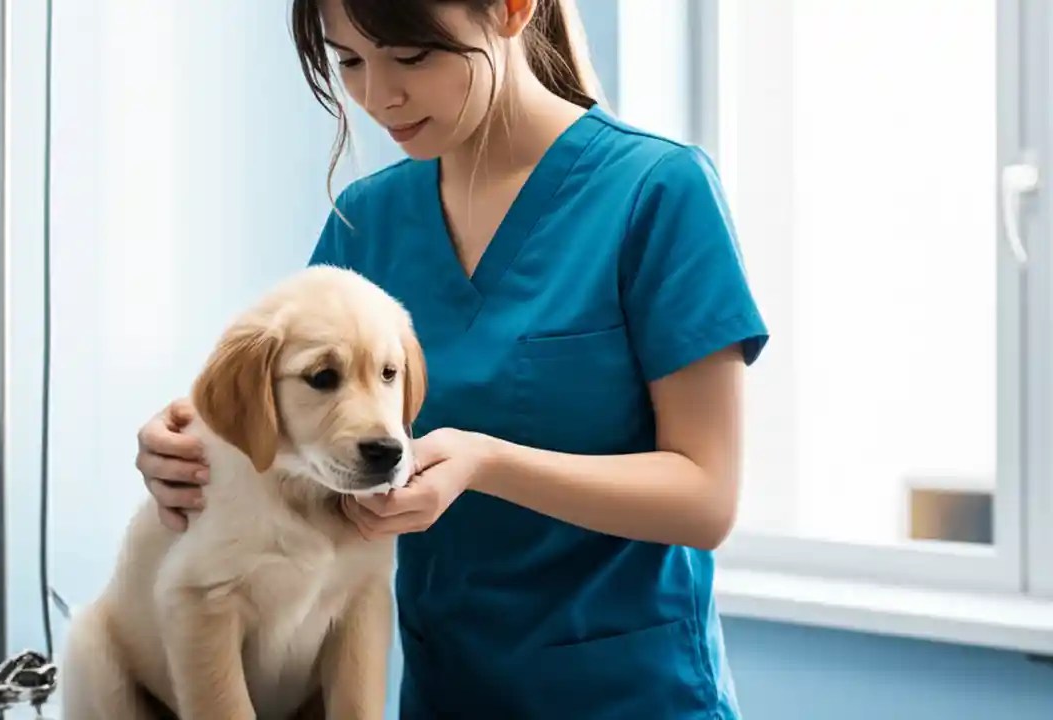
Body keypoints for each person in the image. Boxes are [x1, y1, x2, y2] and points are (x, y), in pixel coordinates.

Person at [135, 0, 768, 717]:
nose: (379, 96)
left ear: (512, 10)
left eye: (412, 57)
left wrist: (487, 463)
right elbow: (299, 434)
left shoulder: (658, 191)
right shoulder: (366, 223)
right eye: (349, 61)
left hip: (630, 695)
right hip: (447, 692)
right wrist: (193, 446)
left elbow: (704, 499)